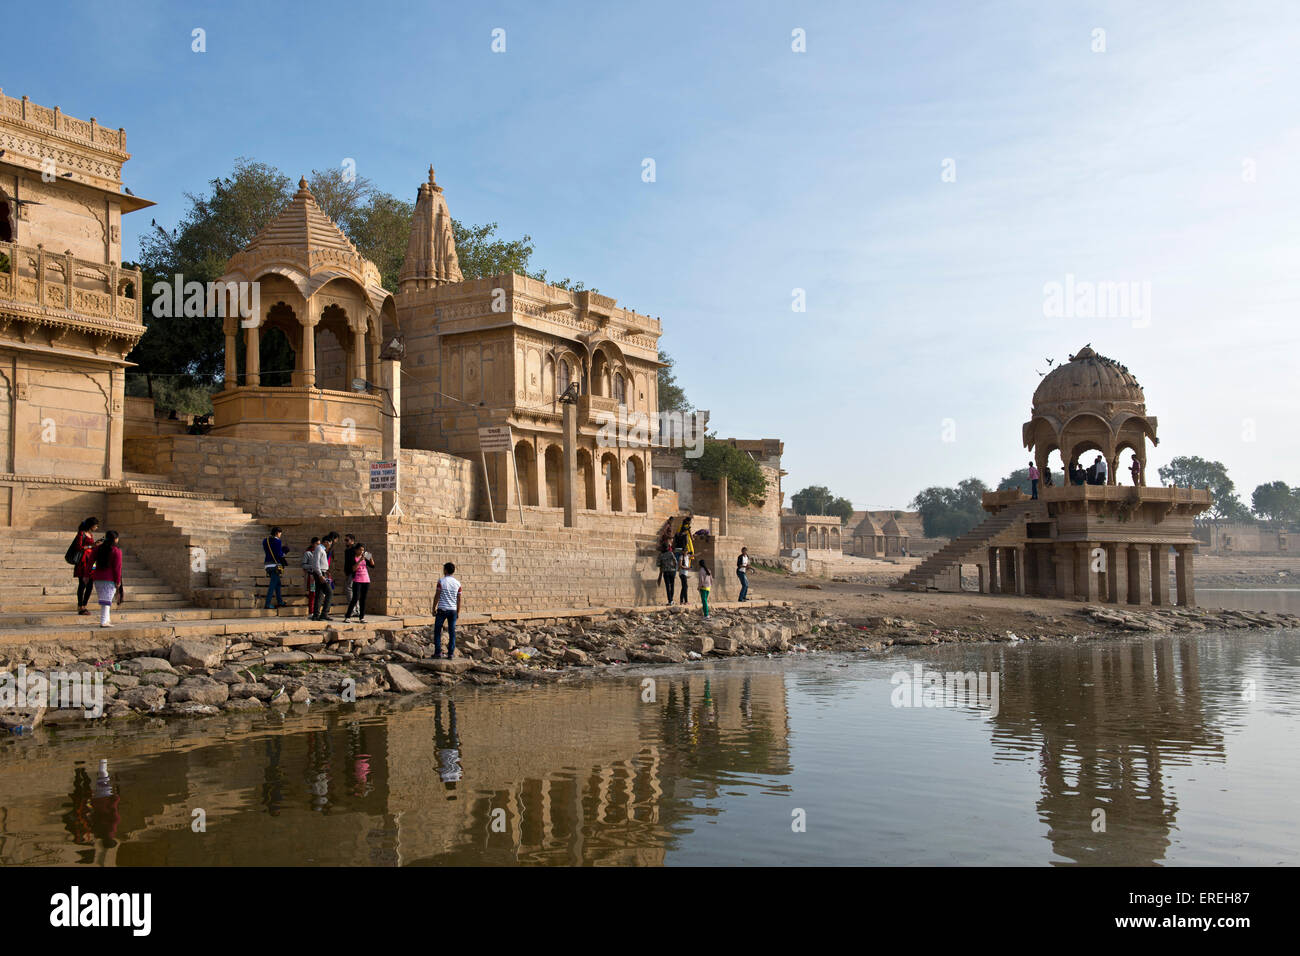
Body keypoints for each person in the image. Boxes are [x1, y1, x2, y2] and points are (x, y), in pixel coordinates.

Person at [90, 531, 123, 628]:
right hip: (109, 579)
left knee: (106, 600)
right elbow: (117, 568)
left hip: (97, 578)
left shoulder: (97, 549)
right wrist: (118, 581)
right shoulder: (116, 551)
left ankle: (107, 619)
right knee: (106, 600)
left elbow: (90, 562)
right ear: (115, 539)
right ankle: (104, 621)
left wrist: (88, 575)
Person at [433, 562, 462, 658]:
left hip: (442, 609)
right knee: (452, 632)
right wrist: (458, 611)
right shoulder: (458, 583)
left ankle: (438, 652)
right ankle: (451, 653)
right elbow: (459, 599)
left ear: (445, 570)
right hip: (453, 610)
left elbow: (437, 595)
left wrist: (433, 608)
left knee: (437, 631)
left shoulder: (441, 581)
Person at [71, 517, 99, 615]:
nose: (97, 527)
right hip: (83, 561)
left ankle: (84, 605)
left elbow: (92, 546)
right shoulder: (81, 534)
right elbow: (78, 547)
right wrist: (92, 546)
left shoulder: (90, 535)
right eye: (96, 525)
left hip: (91, 561)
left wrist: (96, 545)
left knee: (90, 585)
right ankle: (80, 606)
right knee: (82, 584)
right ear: (91, 525)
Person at [343, 542, 375, 622]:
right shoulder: (353, 558)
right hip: (357, 580)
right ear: (356, 550)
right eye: (360, 550)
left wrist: (370, 557)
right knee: (355, 598)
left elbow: (372, 565)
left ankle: (362, 617)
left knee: (363, 599)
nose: (361, 552)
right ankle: (348, 616)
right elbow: (353, 569)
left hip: (366, 579)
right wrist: (360, 560)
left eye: (363, 550)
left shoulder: (365, 557)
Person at [262, 527, 289, 610]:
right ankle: (267, 603)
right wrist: (284, 552)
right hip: (275, 565)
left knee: (277, 584)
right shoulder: (277, 541)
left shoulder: (265, 540)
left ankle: (280, 601)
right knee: (272, 585)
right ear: (277, 533)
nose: (280, 534)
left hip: (267, 564)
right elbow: (279, 554)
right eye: (280, 533)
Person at [310, 535, 333, 621]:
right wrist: (320, 575)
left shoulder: (321, 549)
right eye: (330, 543)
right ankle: (324, 613)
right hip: (320, 573)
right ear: (326, 542)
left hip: (323, 572)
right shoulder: (319, 549)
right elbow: (316, 563)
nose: (330, 545)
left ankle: (316, 615)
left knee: (319, 594)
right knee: (329, 593)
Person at [301, 537, 320, 616]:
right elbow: (304, 565)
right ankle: (311, 612)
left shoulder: (320, 552)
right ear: (312, 544)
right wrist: (312, 566)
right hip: (312, 577)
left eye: (319, 544)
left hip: (319, 576)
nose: (318, 546)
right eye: (317, 544)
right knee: (312, 594)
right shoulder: (308, 553)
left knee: (320, 594)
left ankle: (317, 611)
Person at [341, 533, 357, 616]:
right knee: (352, 591)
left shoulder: (356, 549)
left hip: (356, 573)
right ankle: (356, 610)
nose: (345, 542)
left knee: (350, 590)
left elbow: (368, 556)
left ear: (352, 541)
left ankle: (353, 610)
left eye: (347, 540)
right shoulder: (347, 551)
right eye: (345, 540)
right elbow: (347, 563)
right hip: (349, 573)